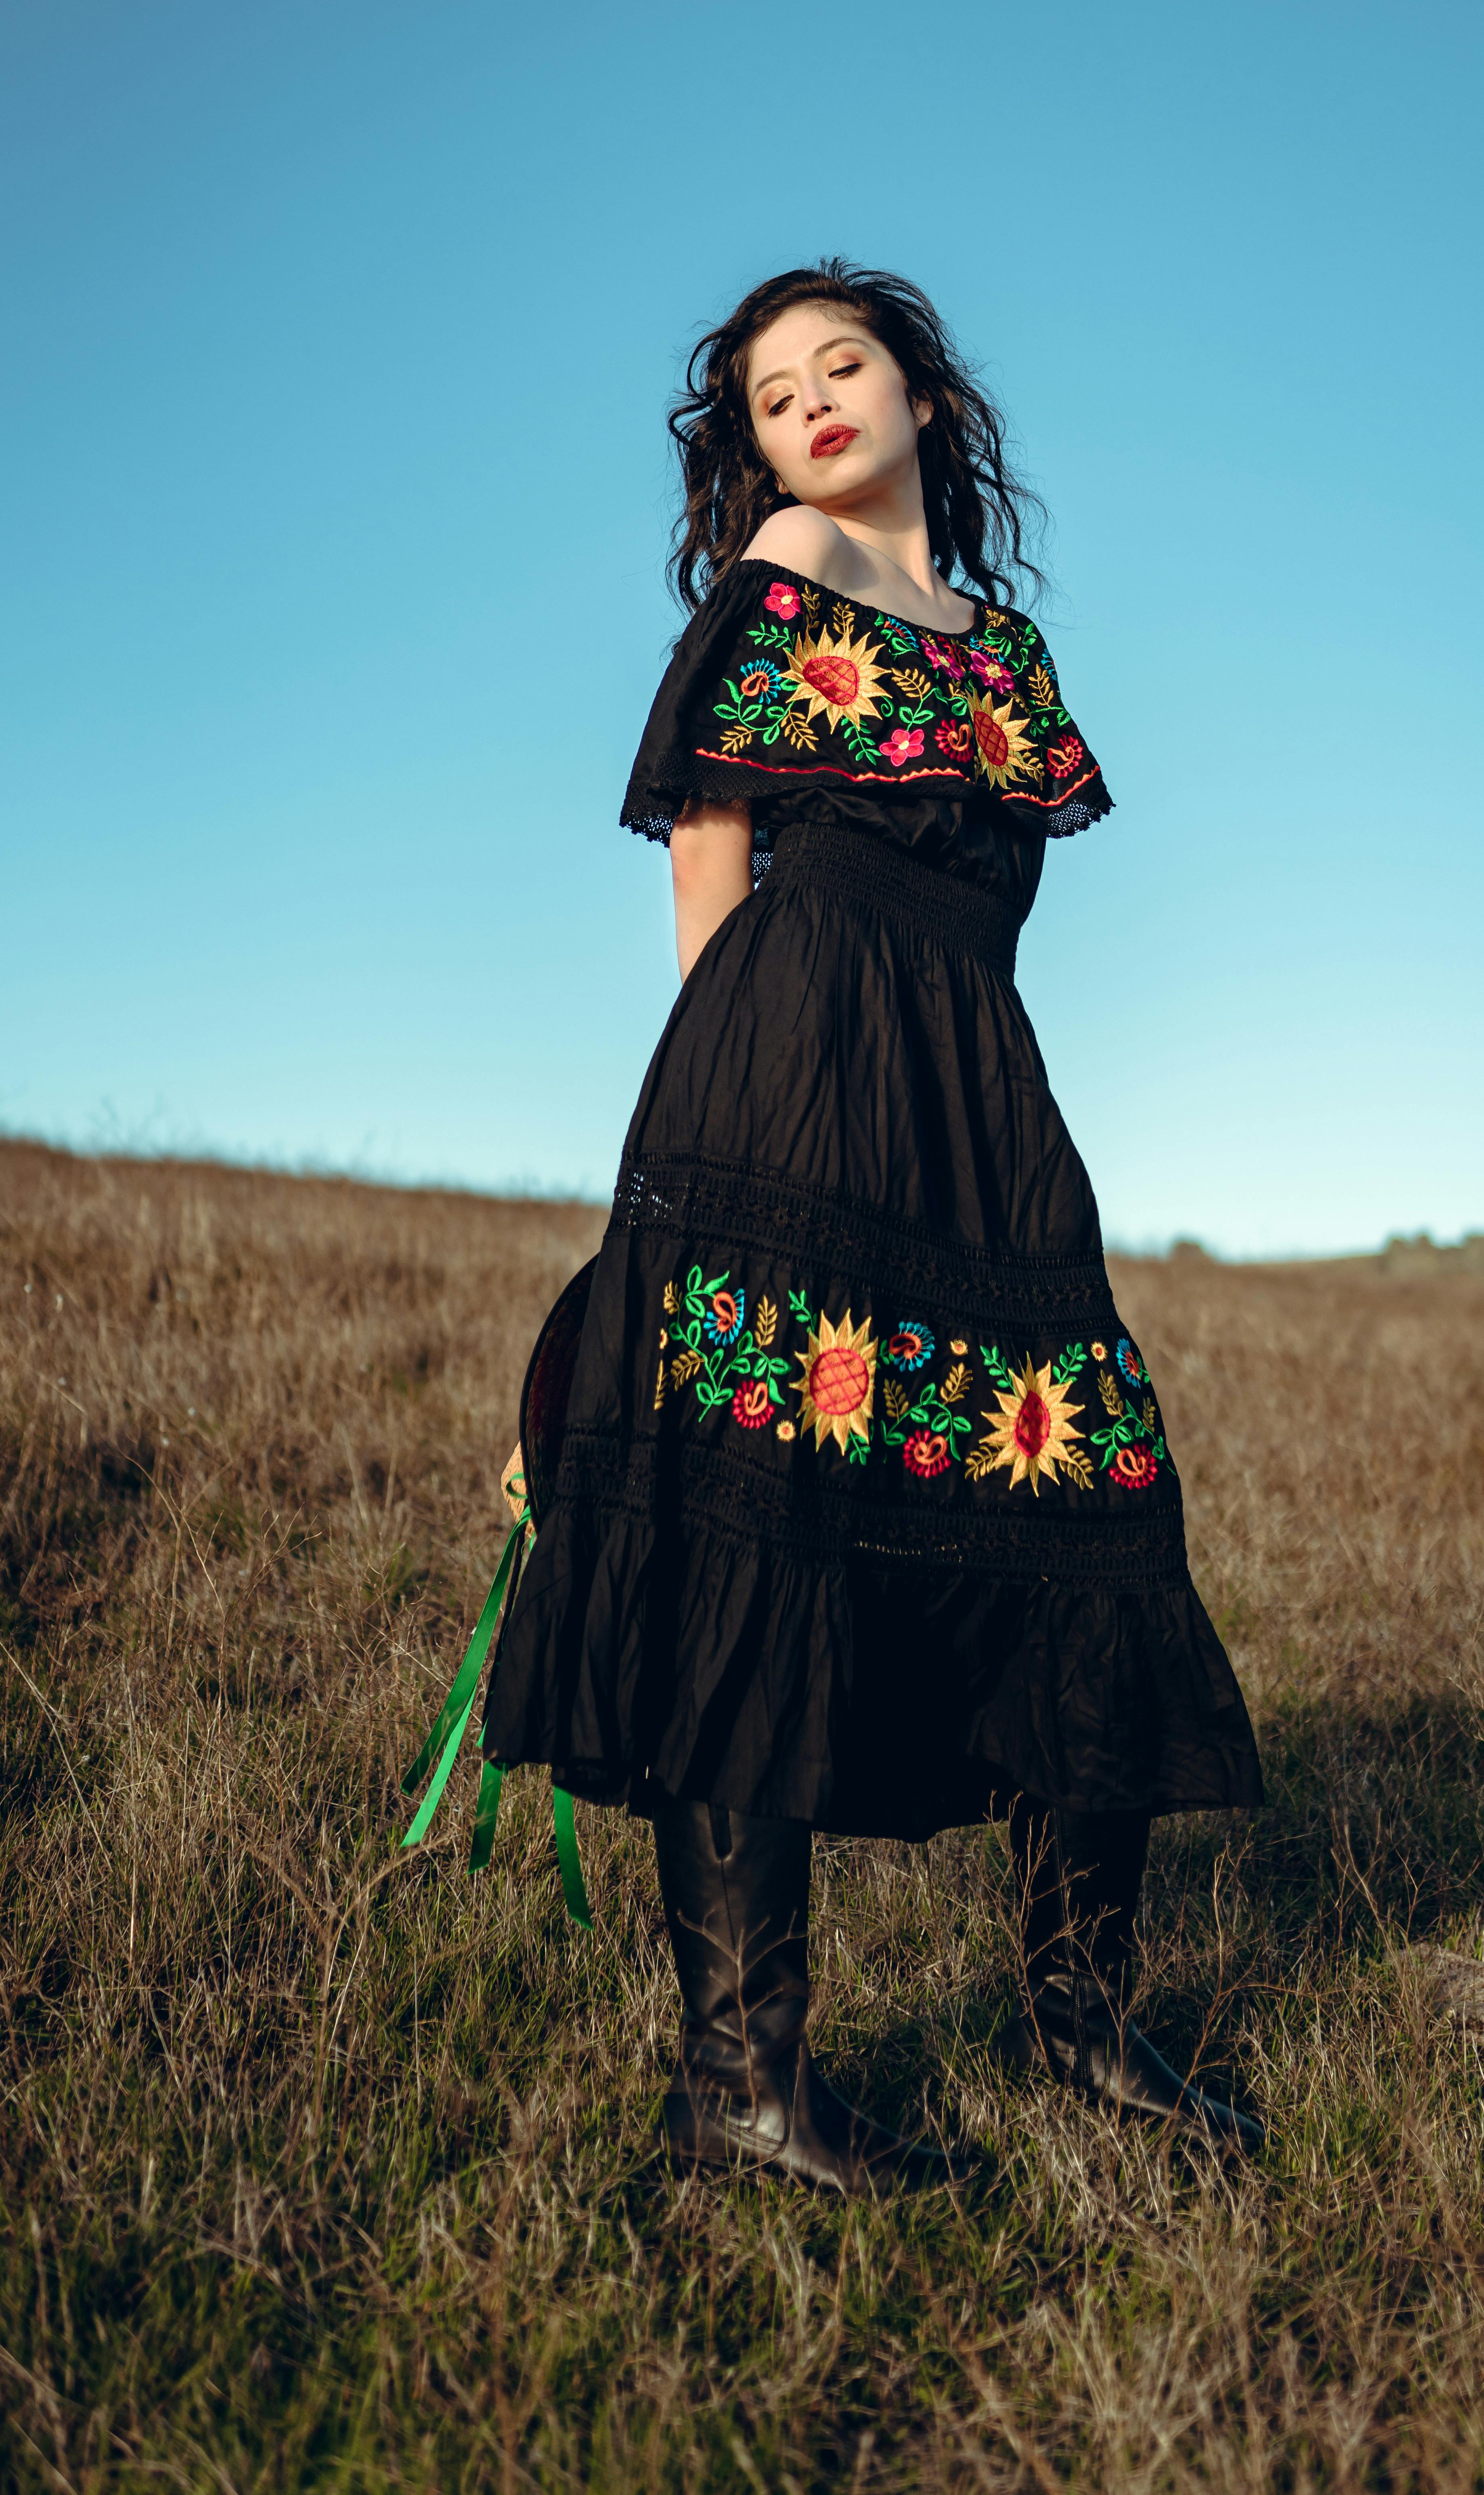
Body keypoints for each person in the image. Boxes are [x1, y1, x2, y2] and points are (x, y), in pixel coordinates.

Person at [484, 260, 1263, 2192]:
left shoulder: (1006, 656)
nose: (812, 404)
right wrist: (716, 1136)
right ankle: (744, 2088)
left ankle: (1083, 2027)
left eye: (844, 366)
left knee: (1088, 1509)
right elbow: (713, 853)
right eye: (770, 392)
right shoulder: (782, 579)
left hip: (975, 1094)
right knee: (765, 1520)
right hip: (784, 1070)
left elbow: (989, 904)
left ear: (926, 390)